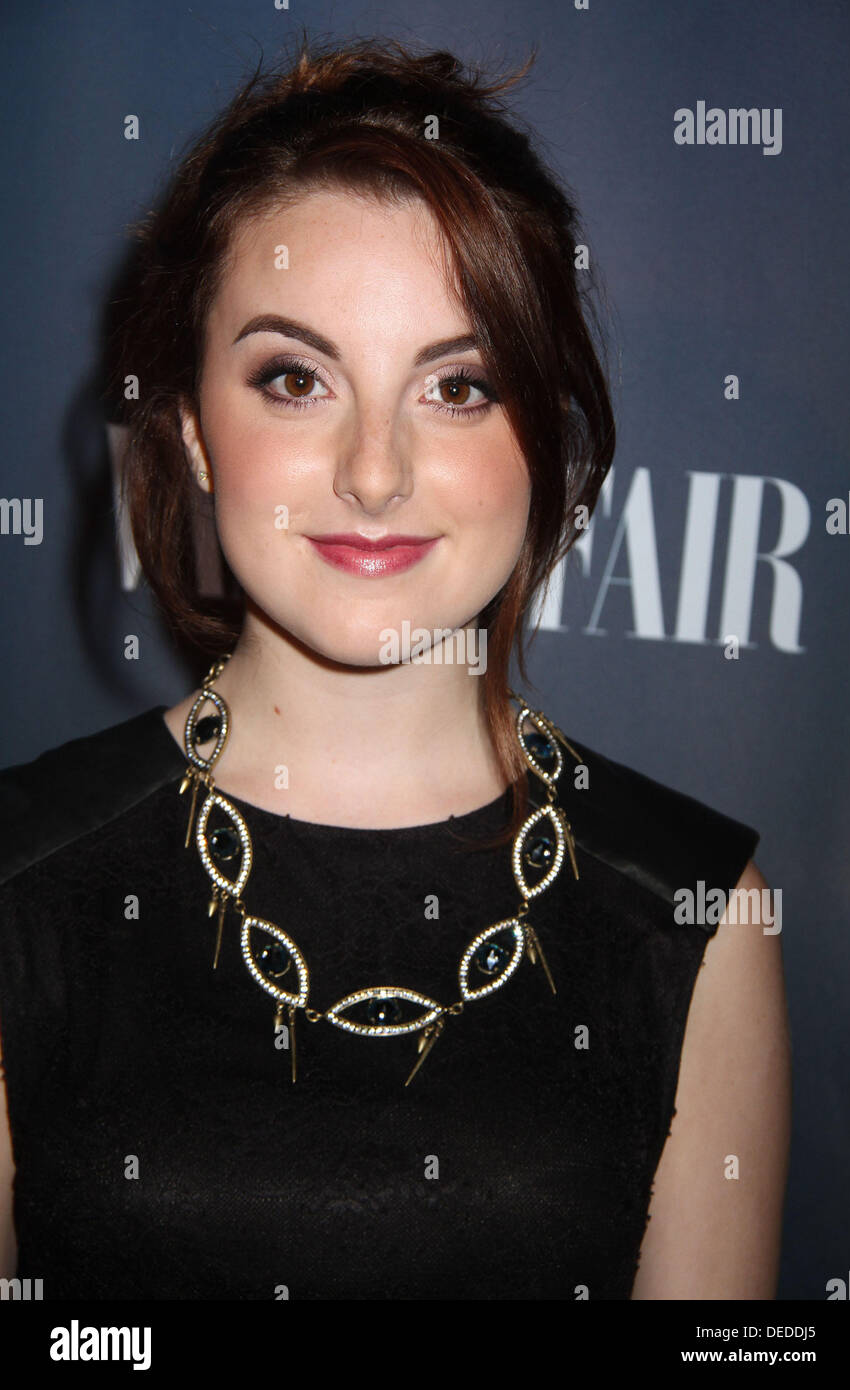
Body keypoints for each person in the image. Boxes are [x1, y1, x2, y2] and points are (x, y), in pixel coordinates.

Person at [0, 34, 790, 1300]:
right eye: (296, 378)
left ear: (543, 429)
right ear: (197, 432)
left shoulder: (696, 912)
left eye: (457, 385)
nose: (375, 474)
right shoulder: (20, 880)